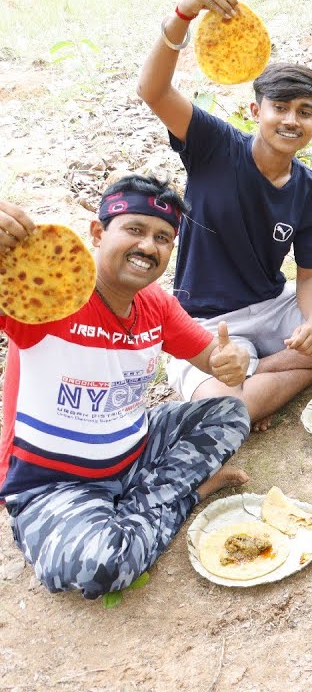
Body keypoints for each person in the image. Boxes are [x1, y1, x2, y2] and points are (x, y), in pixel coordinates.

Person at [137, 0, 312, 430]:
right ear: (255, 111)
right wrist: (183, 14)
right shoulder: (214, 145)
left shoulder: (310, 189)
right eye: (279, 107)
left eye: (305, 111)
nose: (290, 120)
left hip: (275, 307)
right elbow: (153, 91)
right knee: (218, 412)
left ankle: (271, 370)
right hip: (208, 322)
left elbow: (310, 273)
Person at [0, 178, 253, 599]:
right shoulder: (50, 294)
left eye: (163, 238)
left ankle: (140, 504)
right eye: (134, 229)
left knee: (229, 411)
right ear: (98, 233)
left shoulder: (156, 304)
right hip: (53, 483)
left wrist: (233, 361)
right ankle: (185, 495)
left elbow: (215, 358)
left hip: (135, 450)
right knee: (102, 568)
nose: (148, 246)